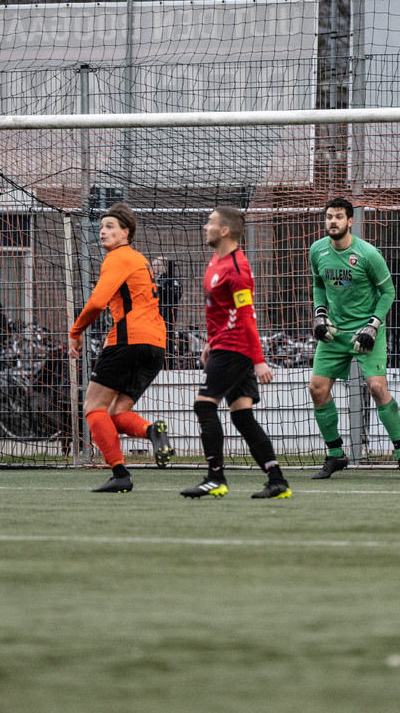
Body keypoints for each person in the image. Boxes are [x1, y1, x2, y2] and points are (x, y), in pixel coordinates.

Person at [180, 207, 290, 499]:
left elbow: (246, 317)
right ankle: (276, 480)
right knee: (242, 417)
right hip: (222, 345)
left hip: (234, 349)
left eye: (211, 222)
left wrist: (259, 361)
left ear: (225, 231)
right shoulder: (216, 260)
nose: (206, 226)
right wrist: (208, 341)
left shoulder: (237, 270)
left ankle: (215, 477)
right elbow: (219, 312)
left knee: (204, 406)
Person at [306, 198, 400, 480]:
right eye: (329, 216)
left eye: (339, 217)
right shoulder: (317, 251)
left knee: (377, 389)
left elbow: (388, 292)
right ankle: (335, 455)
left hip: (367, 332)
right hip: (335, 333)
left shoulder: (368, 254)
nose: (333, 221)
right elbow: (319, 284)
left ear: (350, 221)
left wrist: (373, 325)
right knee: (317, 389)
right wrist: (320, 313)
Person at [69, 202, 174, 494]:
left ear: (126, 232)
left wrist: (75, 332)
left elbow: (96, 302)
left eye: (110, 227)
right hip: (156, 345)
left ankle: (120, 474)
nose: (103, 232)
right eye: (101, 227)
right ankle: (152, 432)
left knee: (93, 406)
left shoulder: (118, 258)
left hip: (129, 340)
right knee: (115, 413)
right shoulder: (140, 260)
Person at [151, 255, 183, 367]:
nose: (153, 268)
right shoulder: (159, 280)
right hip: (158, 315)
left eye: (155, 266)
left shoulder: (170, 280)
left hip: (167, 314)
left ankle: (168, 365)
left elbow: (175, 295)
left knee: (167, 339)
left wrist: (163, 291)